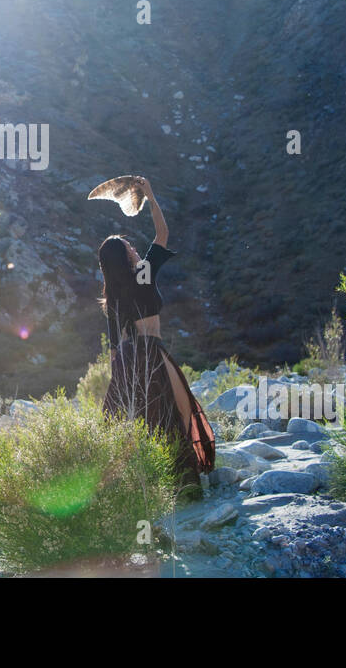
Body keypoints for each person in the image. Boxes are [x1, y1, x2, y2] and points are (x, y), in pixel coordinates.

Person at [97, 178, 216, 498]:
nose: (135, 248)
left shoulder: (113, 298)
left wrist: (118, 381)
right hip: (151, 353)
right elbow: (162, 234)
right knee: (180, 412)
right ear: (124, 259)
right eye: (128, 247)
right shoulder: (143, 274)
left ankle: (145, 488)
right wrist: (149, 195)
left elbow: (113, 347)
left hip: (127, 359)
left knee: (143, 421)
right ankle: (185, 487)